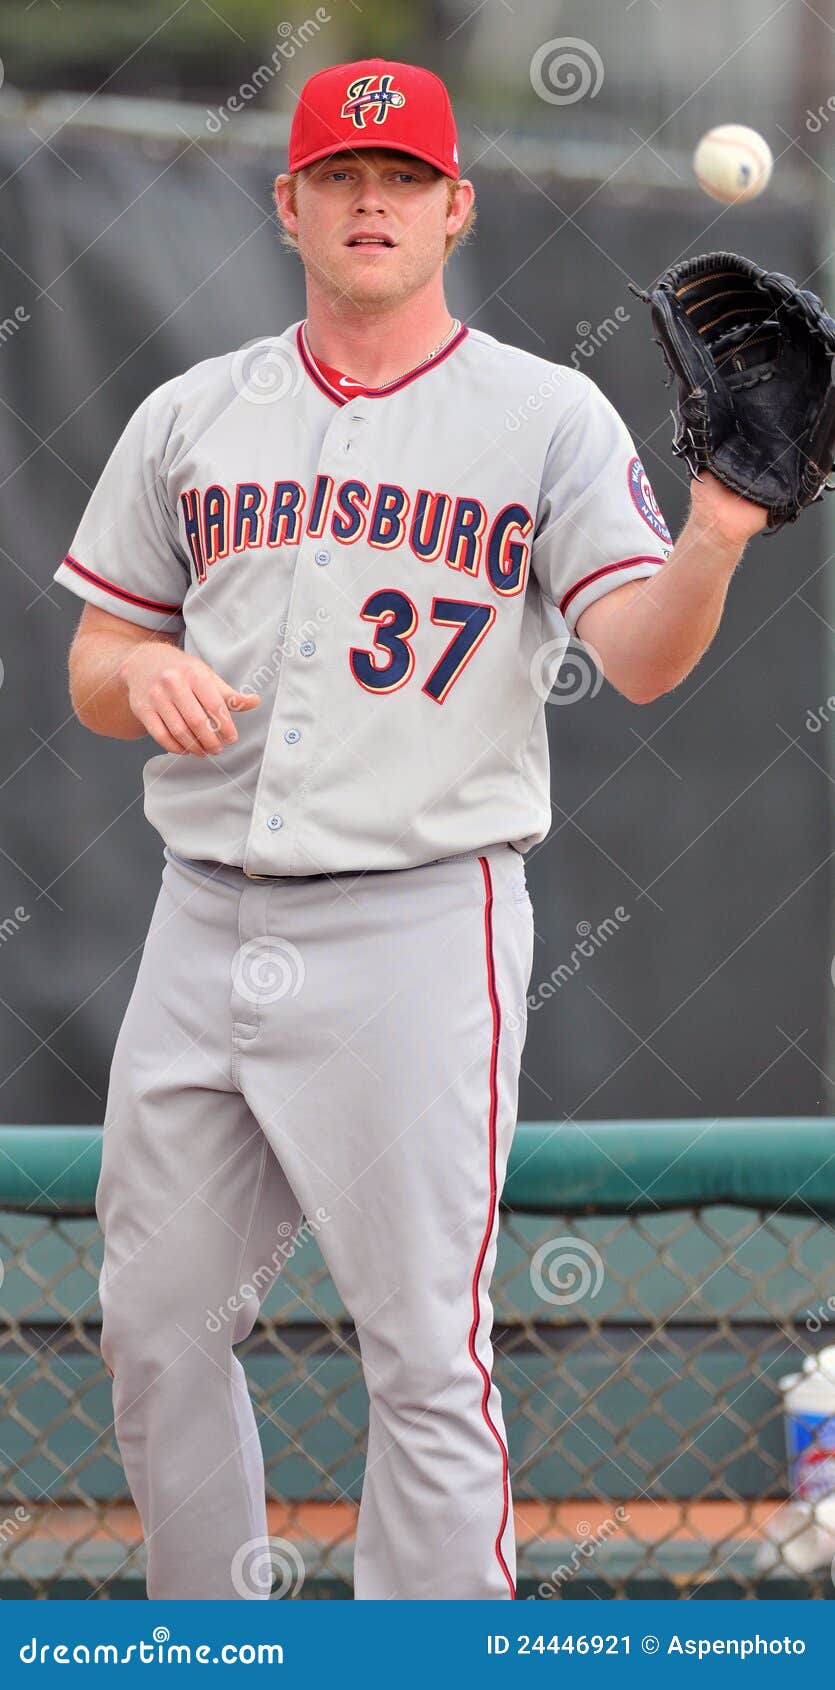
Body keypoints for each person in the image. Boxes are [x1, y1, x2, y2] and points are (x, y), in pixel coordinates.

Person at [54, 58, 767, 1601]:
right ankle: (215, 1639)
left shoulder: (544, 412)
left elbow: (639, 655)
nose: (368, 200)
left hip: (418, 918)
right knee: (156, 1318)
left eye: (400, 178)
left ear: (455, 205)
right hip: (201, 917)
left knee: (421, 1351)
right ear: (289, 204)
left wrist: (714, 534)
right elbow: (95, 666)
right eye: (338, 175)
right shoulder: (192, 412)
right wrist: (146, 666)